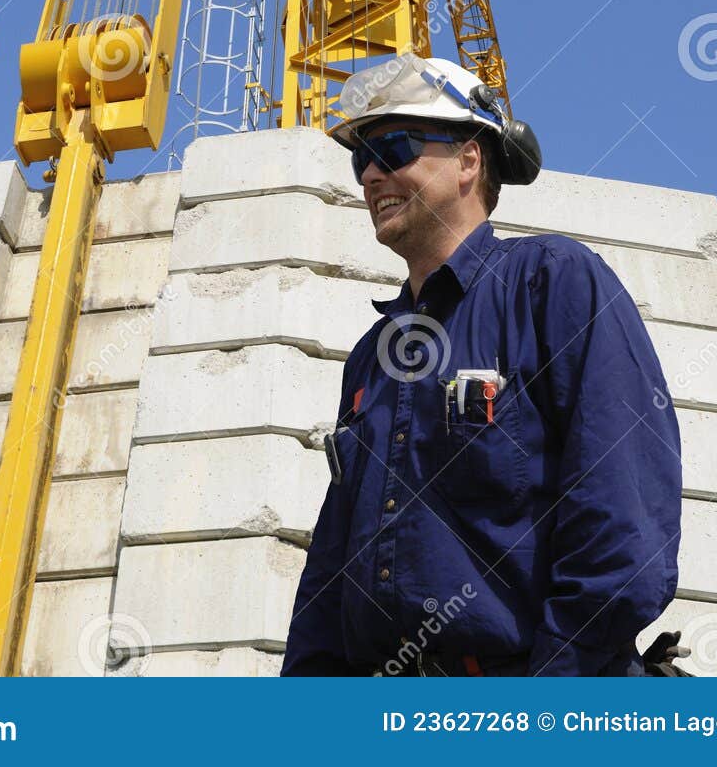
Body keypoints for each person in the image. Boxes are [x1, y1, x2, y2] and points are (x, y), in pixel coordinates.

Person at [281, 54, 683, 678]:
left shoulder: (551, 283)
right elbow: (333, 566)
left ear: (469, 160)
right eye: (360, 160)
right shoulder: (371, 359)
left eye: (393, 149)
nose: (371, 175)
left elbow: (621, 519)